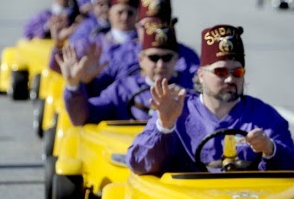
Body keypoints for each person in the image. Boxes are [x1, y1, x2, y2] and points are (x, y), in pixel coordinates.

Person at [127, 24, 294, 176]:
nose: (230, 79)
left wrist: (269, 149)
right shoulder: (177, 110)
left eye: (237, 72)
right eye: (220, 72)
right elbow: (138, 164)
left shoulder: (265, 117)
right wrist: (164, 127)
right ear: (201, 75)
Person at [57, 18, 193, 126]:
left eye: (167, 58)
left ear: (176, 59)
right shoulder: (124, 89)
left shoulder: (187, 88)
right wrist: (74, 86)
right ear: (141, 60)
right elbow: (83, 117)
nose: (160, 64)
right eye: (154, 58)